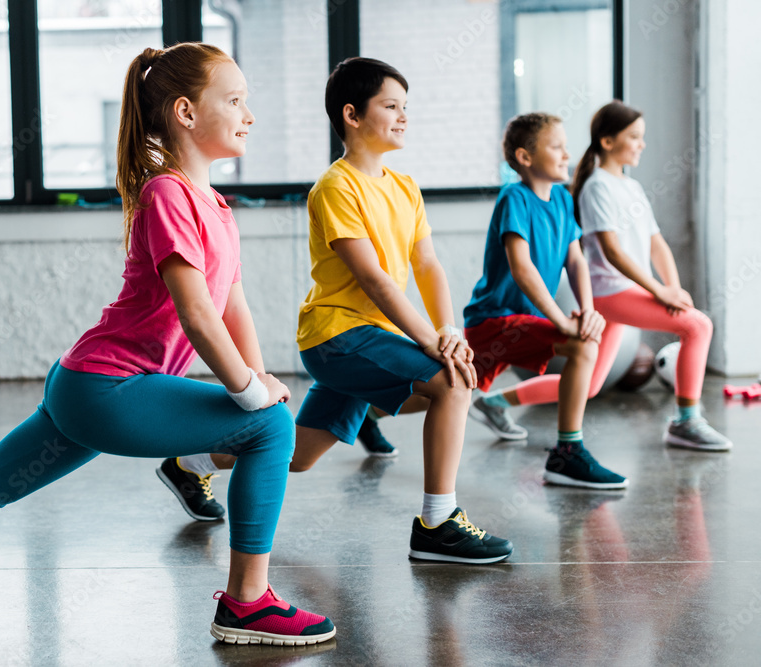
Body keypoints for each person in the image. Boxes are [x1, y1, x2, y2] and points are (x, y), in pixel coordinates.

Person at [0, 43, 335, 647]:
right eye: (235, 100)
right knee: (271, 430)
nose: (249, 114)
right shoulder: (168, 194)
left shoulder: (215, 205)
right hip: (109, 389)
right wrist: (248, 393)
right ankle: (246, 604)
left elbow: (233, 306)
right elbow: (196, 311)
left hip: (87, 385)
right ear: (186, 112)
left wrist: (260, 379)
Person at [164, 57, 512, 564]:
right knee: (453, 382)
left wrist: (448, 328)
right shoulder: (335, 187)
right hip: (338, 336)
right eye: (390, 106)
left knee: (298, 455)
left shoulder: (404, 187)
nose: (403, 116)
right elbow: (373, 280)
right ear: (352, 114)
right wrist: (433, 344)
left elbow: (428, 264)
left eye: (406, 107)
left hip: (372, 339)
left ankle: (189, 463)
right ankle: (437, 523)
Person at [472, 101, 729, 451]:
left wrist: (673, 287)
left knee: (589, 385)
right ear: (608, 142)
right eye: (634, 136)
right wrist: (658, 290)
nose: (642, 144)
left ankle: (495, 402)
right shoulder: (595, 187)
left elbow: (657, 244)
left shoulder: (629, 188)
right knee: (698, 325)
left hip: (613, 297)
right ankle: (686, 420)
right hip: (610, 290)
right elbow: (612, 252)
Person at [463, 112, 629, 490]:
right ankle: (567, 455)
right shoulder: (514, 198)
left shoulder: (562, 198)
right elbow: (522, 269)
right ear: (525, 157)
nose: (566, 154)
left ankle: (368, 417)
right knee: (449, 388)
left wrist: (587, 311)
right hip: (494, 320)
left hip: (525, 322)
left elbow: (575, 259)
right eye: (556, 147)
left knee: (456, 387)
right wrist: (564, 321)